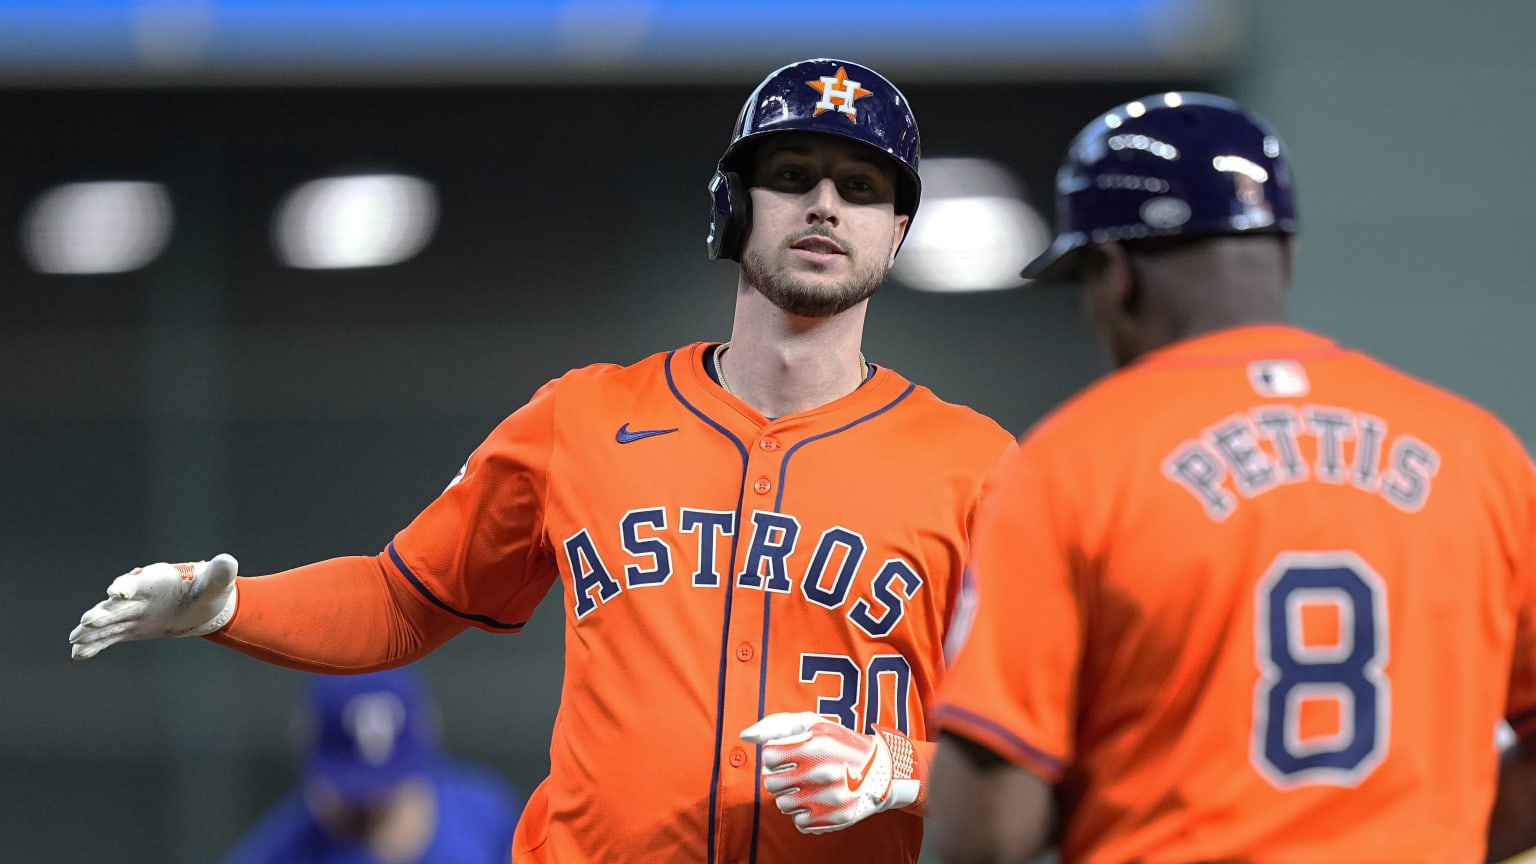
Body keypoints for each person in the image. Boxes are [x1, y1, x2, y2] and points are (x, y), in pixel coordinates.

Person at [68, 58, 1015, 864]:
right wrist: (230, 607)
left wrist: (896, 770)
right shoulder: (587, 415)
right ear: (736, 204)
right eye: (794, 173)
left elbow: (1049, 735)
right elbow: (404, 601)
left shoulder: (977, 468)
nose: (823, 204)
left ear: (896, 231)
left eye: (861, 187)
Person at [927, 92, 1536, 863]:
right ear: (1285, 250)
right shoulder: (1479, 452)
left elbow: (989, 830)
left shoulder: (1072, 460)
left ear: (1115, 276)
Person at [225, 667, 521, 864]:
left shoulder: (486, 816)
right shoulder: (282, 852)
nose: (371, 802)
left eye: (388, 784)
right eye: (352, 789)